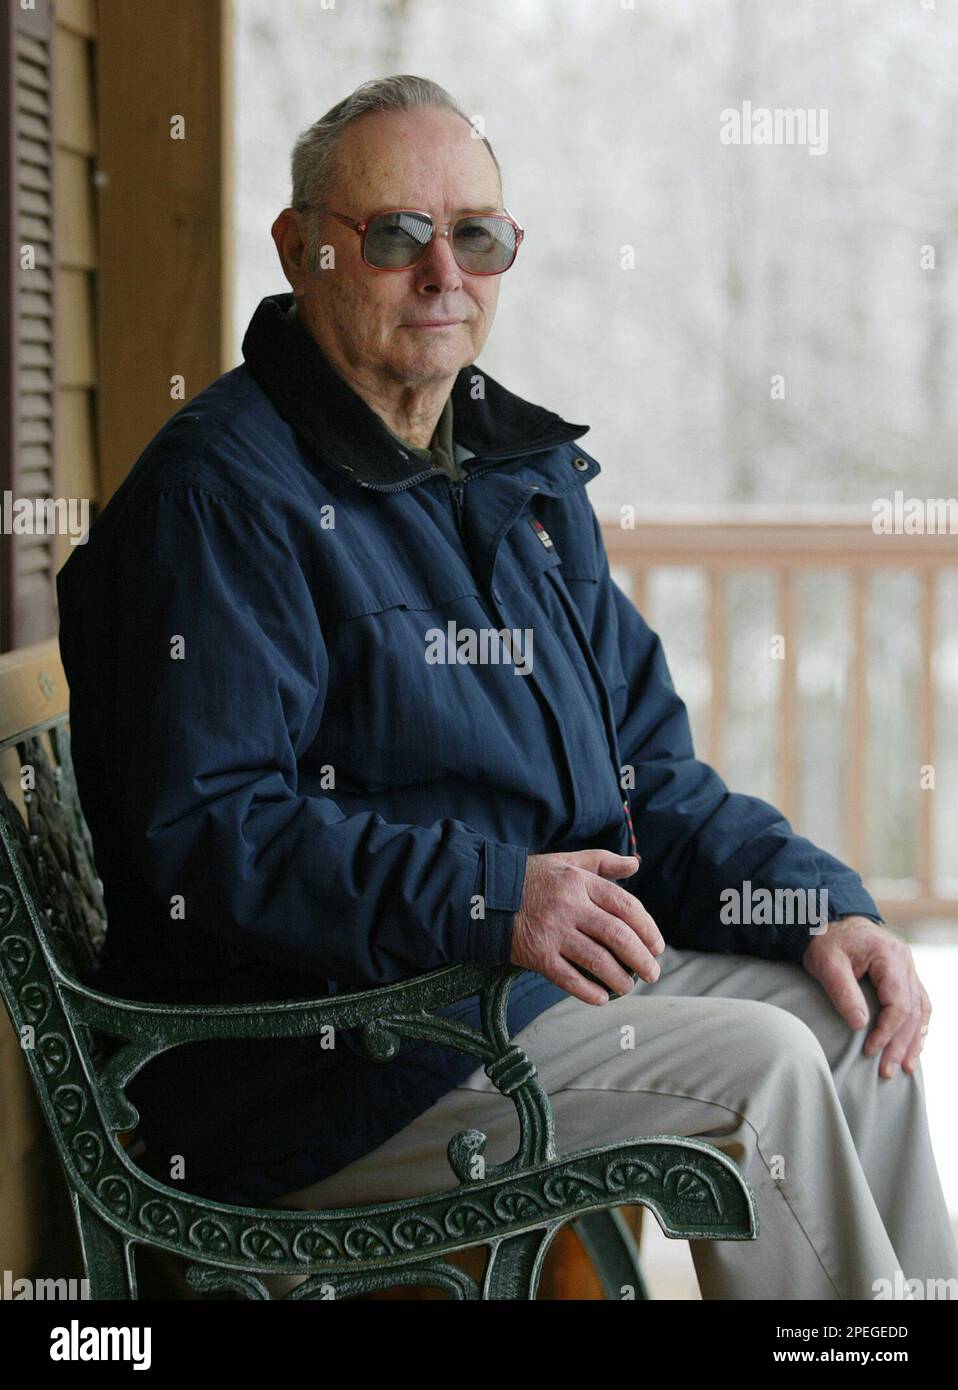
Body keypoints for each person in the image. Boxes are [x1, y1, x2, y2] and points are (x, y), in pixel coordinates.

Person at [55, 75, 957, 1300]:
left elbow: (651, 780)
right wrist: (494, 898)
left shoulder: (513, 480)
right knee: (764, 1069)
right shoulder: (221, 502)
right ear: (299, 246)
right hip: (320, 1063)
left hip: (501, 1000)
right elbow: (210, 834)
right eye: (395, 236)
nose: (444, 274)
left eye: (476, 235)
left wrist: (814, 905)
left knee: (850, 1021)